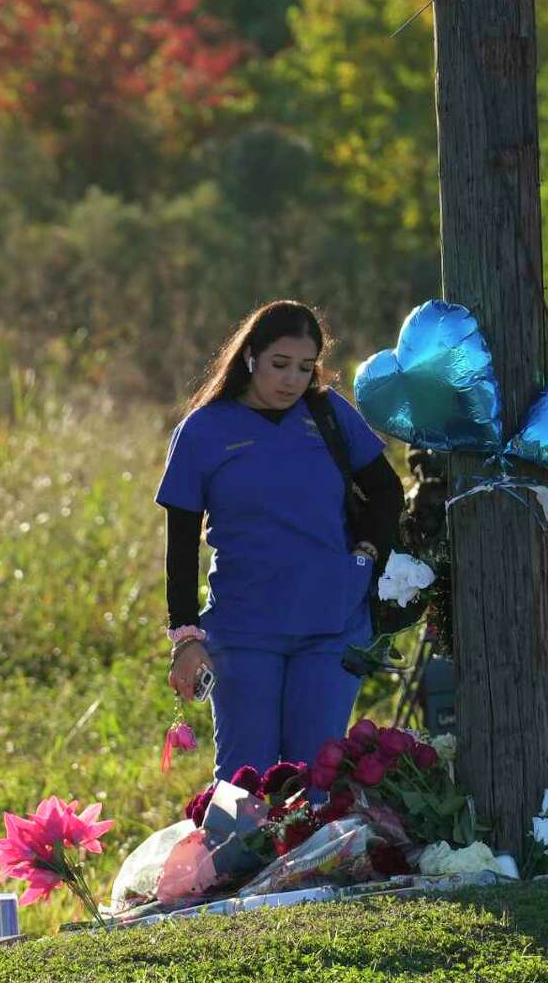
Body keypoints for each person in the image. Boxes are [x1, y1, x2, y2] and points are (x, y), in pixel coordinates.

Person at [156, 299, 404, 784]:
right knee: (244, 782)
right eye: (280, 365)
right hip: (245, 627)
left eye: (305, 368)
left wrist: (366, 555)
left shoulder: (329, 414)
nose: (292, 380)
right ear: (250, 357)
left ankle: (312, 864)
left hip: (332, 625)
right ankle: (235, 863)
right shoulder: (204, 431)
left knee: (317, 776)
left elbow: (386, 491)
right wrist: (185, 637)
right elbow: (181, 543)